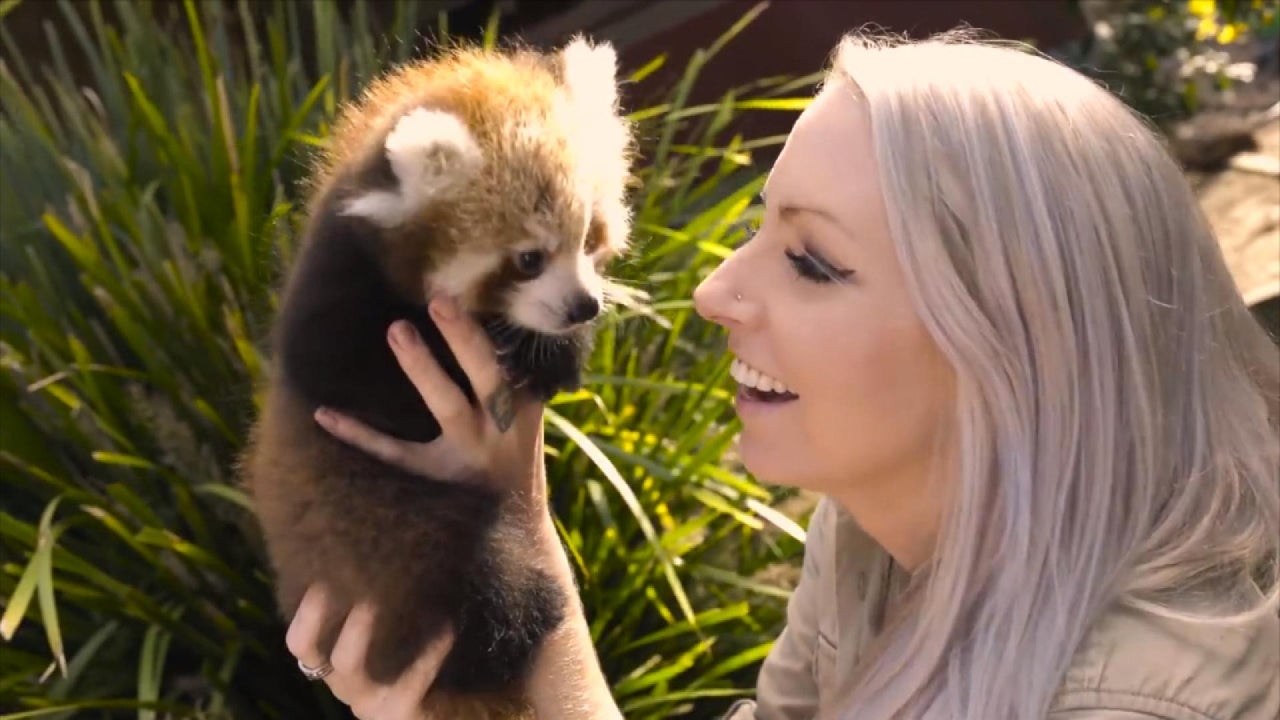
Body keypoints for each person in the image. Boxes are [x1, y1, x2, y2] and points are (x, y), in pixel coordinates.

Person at [284, 29, 1280, 720]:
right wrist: (519, 537)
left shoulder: (1126, 697)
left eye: (811, 261)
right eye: (759, 224)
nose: (713, 292)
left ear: (1011, 343)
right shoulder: (883, 536)